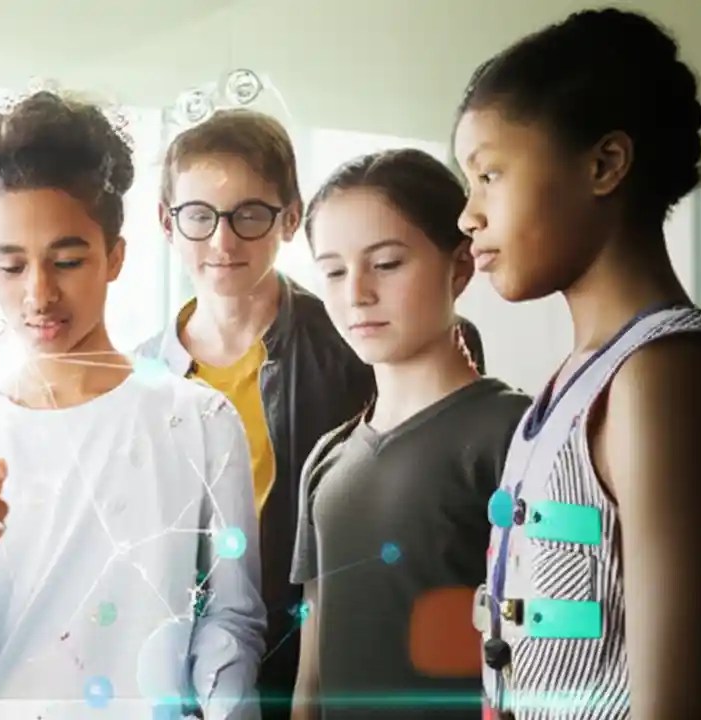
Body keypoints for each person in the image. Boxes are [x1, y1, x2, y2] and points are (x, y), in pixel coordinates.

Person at [0, 90, 266, 720]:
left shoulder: (199, 421)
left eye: (67, 260)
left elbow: (231, 622)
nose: (39, 294)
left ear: (115, 256)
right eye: (11, 267)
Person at [134, 109, 489, 717]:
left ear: (290, 219)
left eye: (249, 214)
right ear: (168, 223)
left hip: (333, 663)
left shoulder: (359, 343)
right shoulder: (141, 377)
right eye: (198, 216)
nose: (223, 241)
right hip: (189, 675)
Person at [453, 8, 701, 719]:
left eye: (490, 174)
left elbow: (675, 699)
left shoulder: (662, 374)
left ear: (604, 165)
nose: (469, 215)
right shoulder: (570, 381)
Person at [288, 149, 530, 719]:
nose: (357, 293)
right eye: (334, 270)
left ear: (460, 266)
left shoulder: (513, 433)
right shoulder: (327, 461)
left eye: (388, 263)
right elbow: (310, 675)